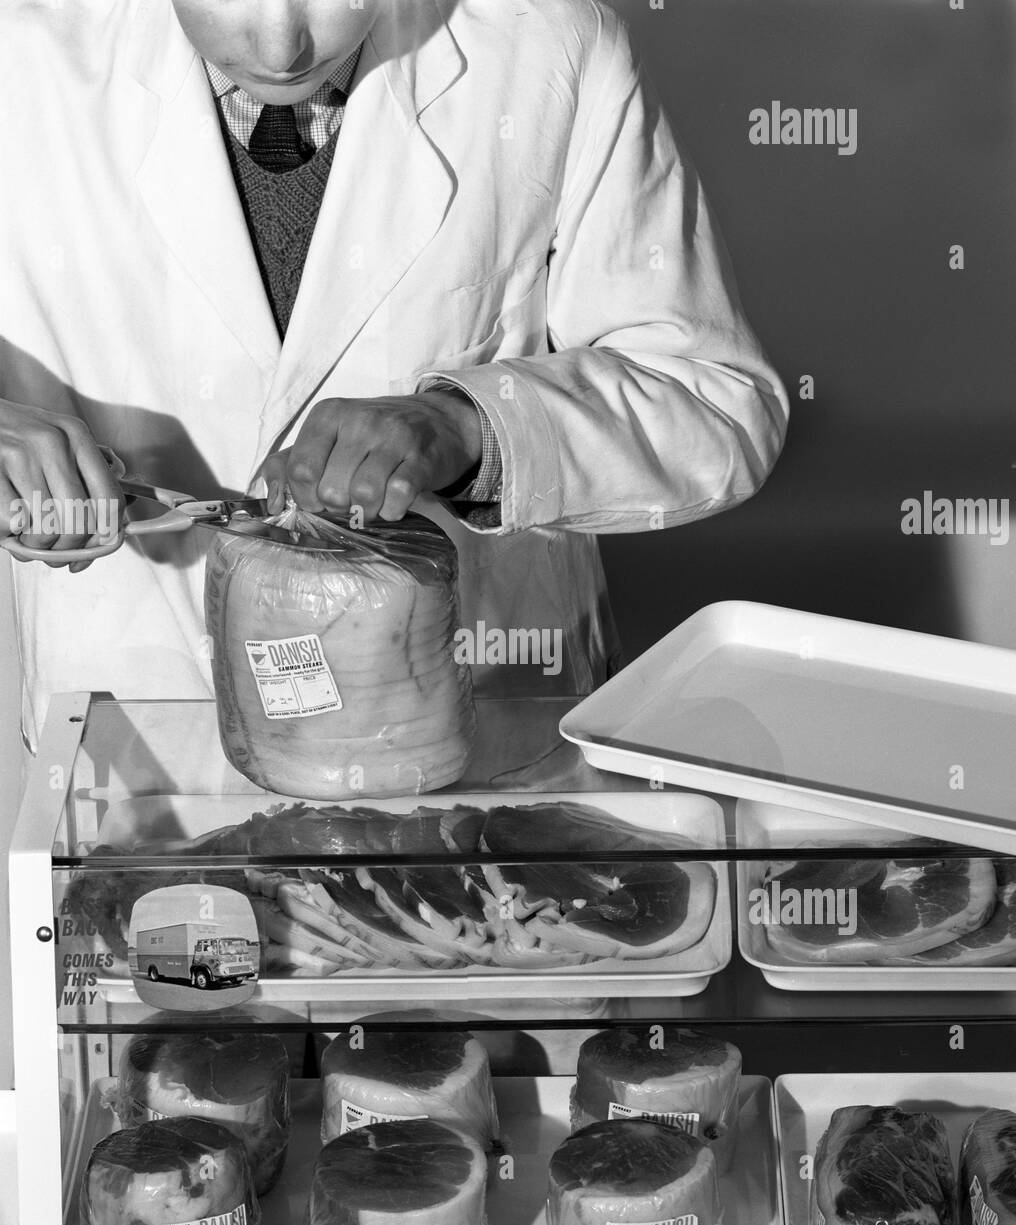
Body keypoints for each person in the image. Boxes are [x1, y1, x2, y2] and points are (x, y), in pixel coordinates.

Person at [0, 0, 787, 752]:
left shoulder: (554, 46)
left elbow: (715, 402)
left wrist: (472, 429)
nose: (282, 45)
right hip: (141, 753)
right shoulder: (21, 53)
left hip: (482, 753)